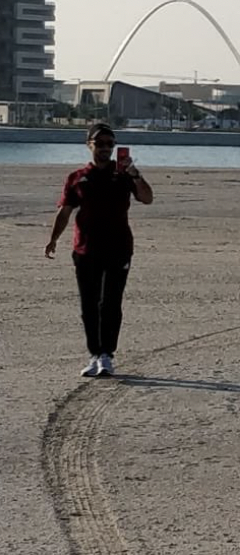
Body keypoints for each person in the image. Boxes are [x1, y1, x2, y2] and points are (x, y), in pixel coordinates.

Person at [45, 123, 154, 378]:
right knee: (89, 305)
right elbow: (65, 211)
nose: (105, 148)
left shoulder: (124, 175)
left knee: (111, 303)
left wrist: (135, 174)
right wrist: (53, 239)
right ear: (89, 145)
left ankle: (107, 355)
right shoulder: (77, 177)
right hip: (85, 249)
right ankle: (94, 354)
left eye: (110, 144)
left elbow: (147, 198)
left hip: (119, 248)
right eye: (100, 143)